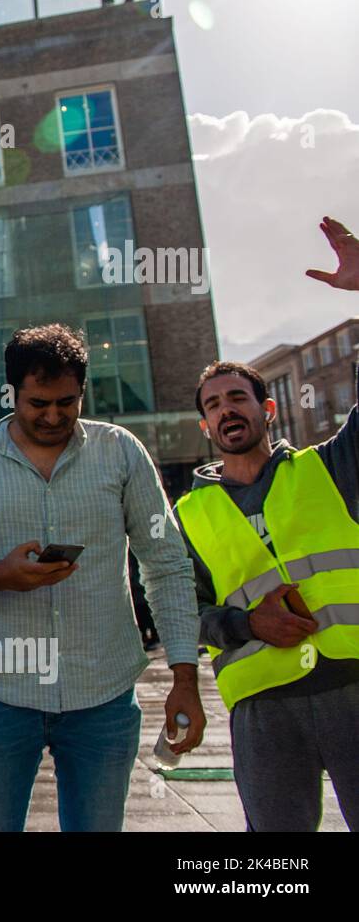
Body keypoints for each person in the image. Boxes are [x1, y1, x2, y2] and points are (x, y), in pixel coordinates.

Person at [0, 323, 205, 832]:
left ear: (83, 392)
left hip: (103, 693)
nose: (52, 416)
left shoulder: (120, 452)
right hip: (1, 692)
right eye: (37, 404)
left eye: (66, 403)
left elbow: (167, 564)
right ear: (12, 394)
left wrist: (185, 675)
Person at [173, 215, 359, 831]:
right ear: (205, 426)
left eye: (238, 398)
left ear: (267, 408)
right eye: (213, 405)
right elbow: (179, 611)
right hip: (263, 706)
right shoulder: (188, 515)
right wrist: (247, 623)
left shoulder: (330, 467)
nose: (226, 410)